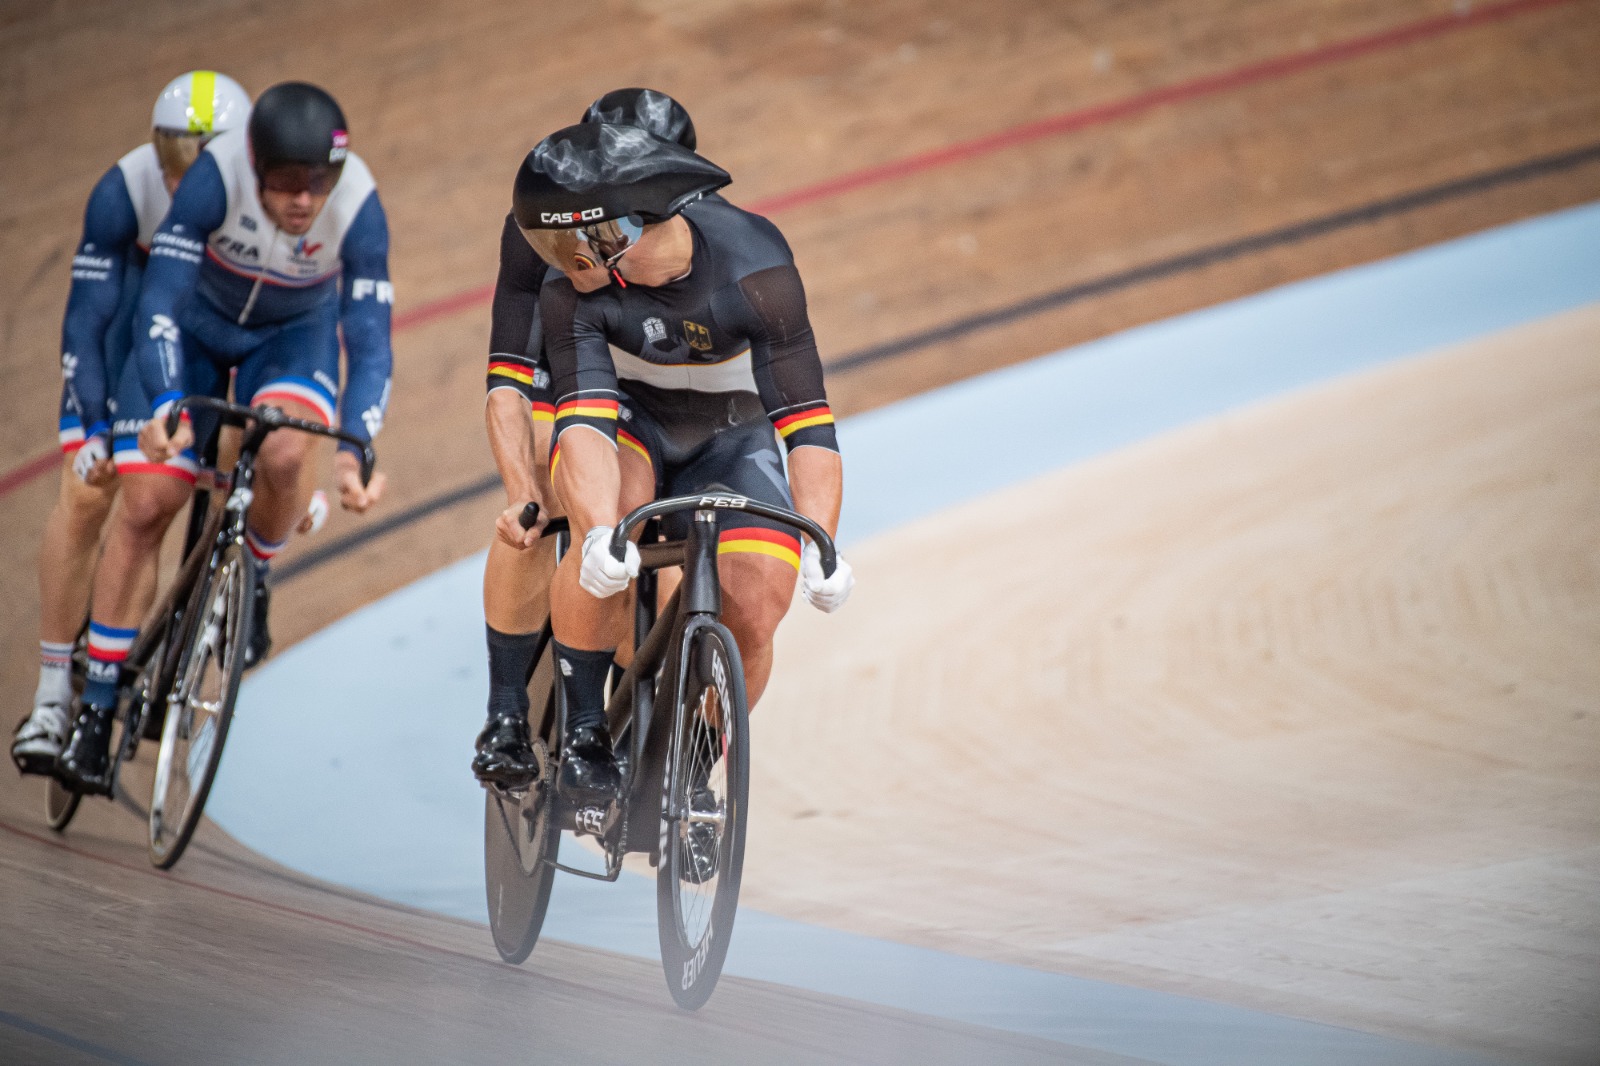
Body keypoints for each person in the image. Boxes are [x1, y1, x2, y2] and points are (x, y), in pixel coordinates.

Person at [511, 122, 855, 827]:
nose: (557, 262)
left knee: (759, 602)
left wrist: (823, 540)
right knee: (609, 526)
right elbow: (584, 423)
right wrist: (599, 531)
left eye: (564, 244)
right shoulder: (572, 292)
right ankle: (584, 735)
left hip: (733, 433)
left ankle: (694, 762)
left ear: (620, 230)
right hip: (631, 426)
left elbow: (807, 423)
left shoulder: (755, 266)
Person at [55, 82, 393, 794]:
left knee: (286, 450)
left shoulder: (359, 203)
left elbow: (368, 339)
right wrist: (167, 400)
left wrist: (356, 449)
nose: (305, 199)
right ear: (254, 164)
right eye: (288, 181)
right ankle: (97, 704)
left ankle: (255, 572)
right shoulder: (215, 177)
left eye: (319, 181)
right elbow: (160, 298)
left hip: (290, 336)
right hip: (195, 328)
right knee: (149, 503)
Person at [11, 71, 251, 776]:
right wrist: (92, 426)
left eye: (201, 165)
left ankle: (227, 601)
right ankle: (52, 696)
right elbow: (89, 320)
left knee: (231, 456)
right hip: (131, 324)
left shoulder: (262, 195)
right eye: (175, 158)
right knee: (89, 491)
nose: (183, 179)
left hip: (208, 326)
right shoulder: (125, 189)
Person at [473, 89, 701, 786]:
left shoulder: (694, 229)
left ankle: (667, 732)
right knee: (545, 500)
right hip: (566, 372)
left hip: (651, 386)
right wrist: (522, 492)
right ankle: (507, 713)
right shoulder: (540, 230)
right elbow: (509, 380)